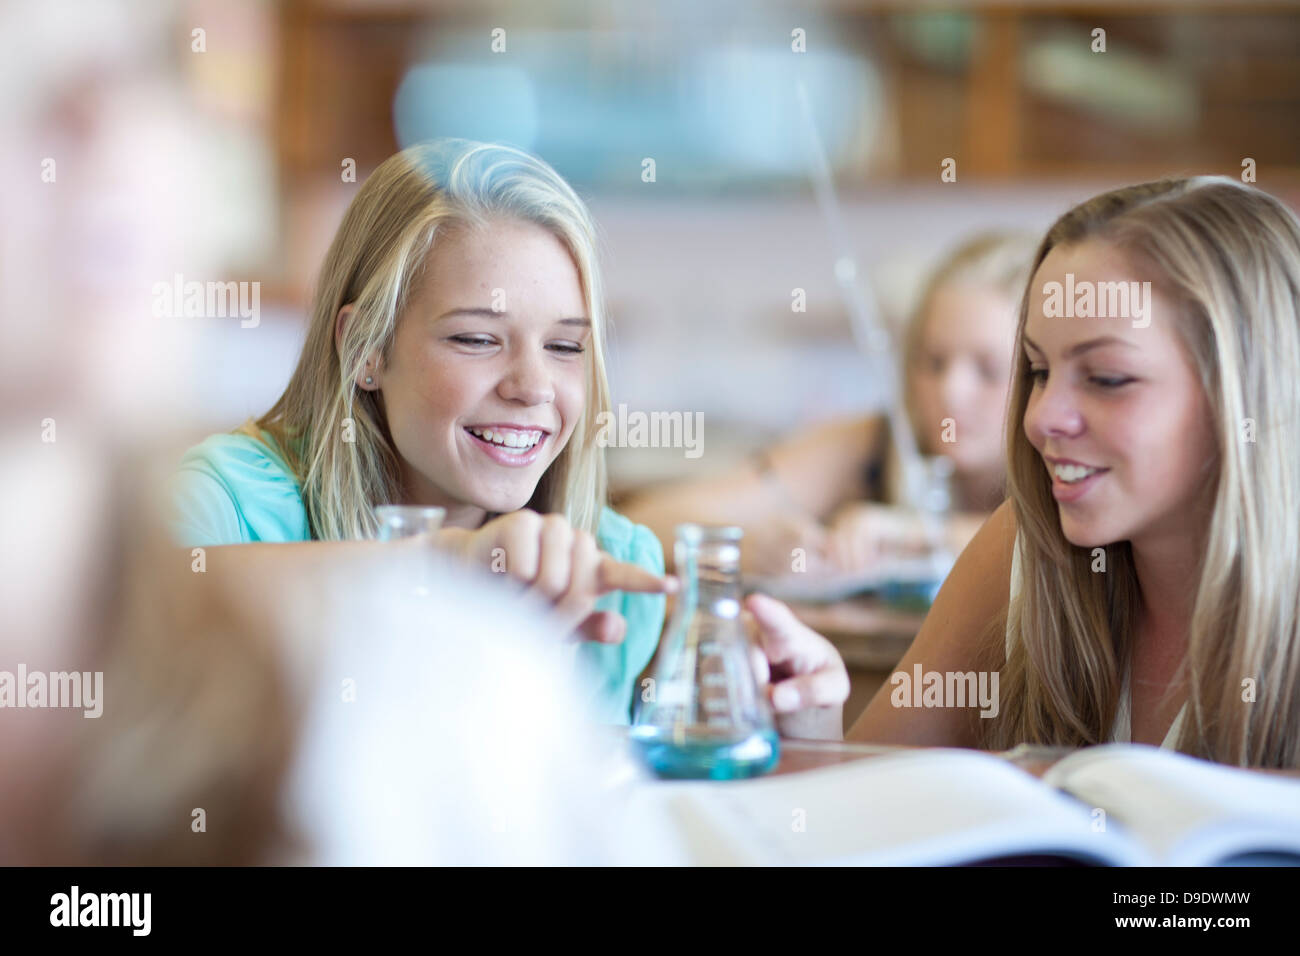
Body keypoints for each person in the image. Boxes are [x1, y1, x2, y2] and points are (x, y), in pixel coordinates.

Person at [168, 139, 847, 729]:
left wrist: (803, 726)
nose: (533, 386)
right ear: (365, 349)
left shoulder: (611, 562)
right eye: (476, 338)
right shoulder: (226, 501)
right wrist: (451, 564)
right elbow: (157, 607)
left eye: (564, 347)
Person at [832, 177, 1300, 768]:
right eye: (1038, 370)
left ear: (1247, 392)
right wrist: (811, 719)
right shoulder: (1022, 552)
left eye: (1105, 378)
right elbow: (859, 796)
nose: (1041, 418)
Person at [621, 232, 1035, 577]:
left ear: (1040, 375)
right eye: (933, 362)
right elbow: (644, 524)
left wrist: (908, 535)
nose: (951, 391)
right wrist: (745, 544)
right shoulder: (869, 443)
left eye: (988, 369)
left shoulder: (1065, 460)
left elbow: (1053, 552)